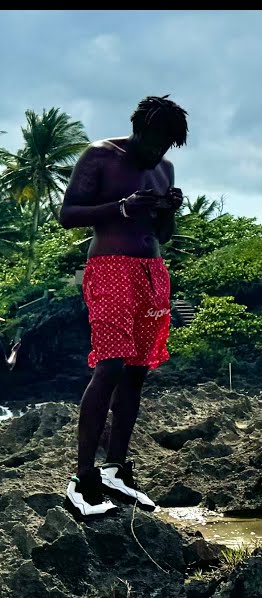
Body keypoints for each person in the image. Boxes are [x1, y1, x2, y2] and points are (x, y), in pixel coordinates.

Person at [57, 95, 188, 518]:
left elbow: (163, 235)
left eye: (166, 145)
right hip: (109, 267)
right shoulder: (99, 156)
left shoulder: (164, 169)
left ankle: (115, 470)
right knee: (110, 365)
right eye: (154, 141)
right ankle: (83, 479)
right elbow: (67, 214)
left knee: (136, 371)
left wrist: (169, 211)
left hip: (153, 272)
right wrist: (121, 207)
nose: (158, 152)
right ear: (138, 128)